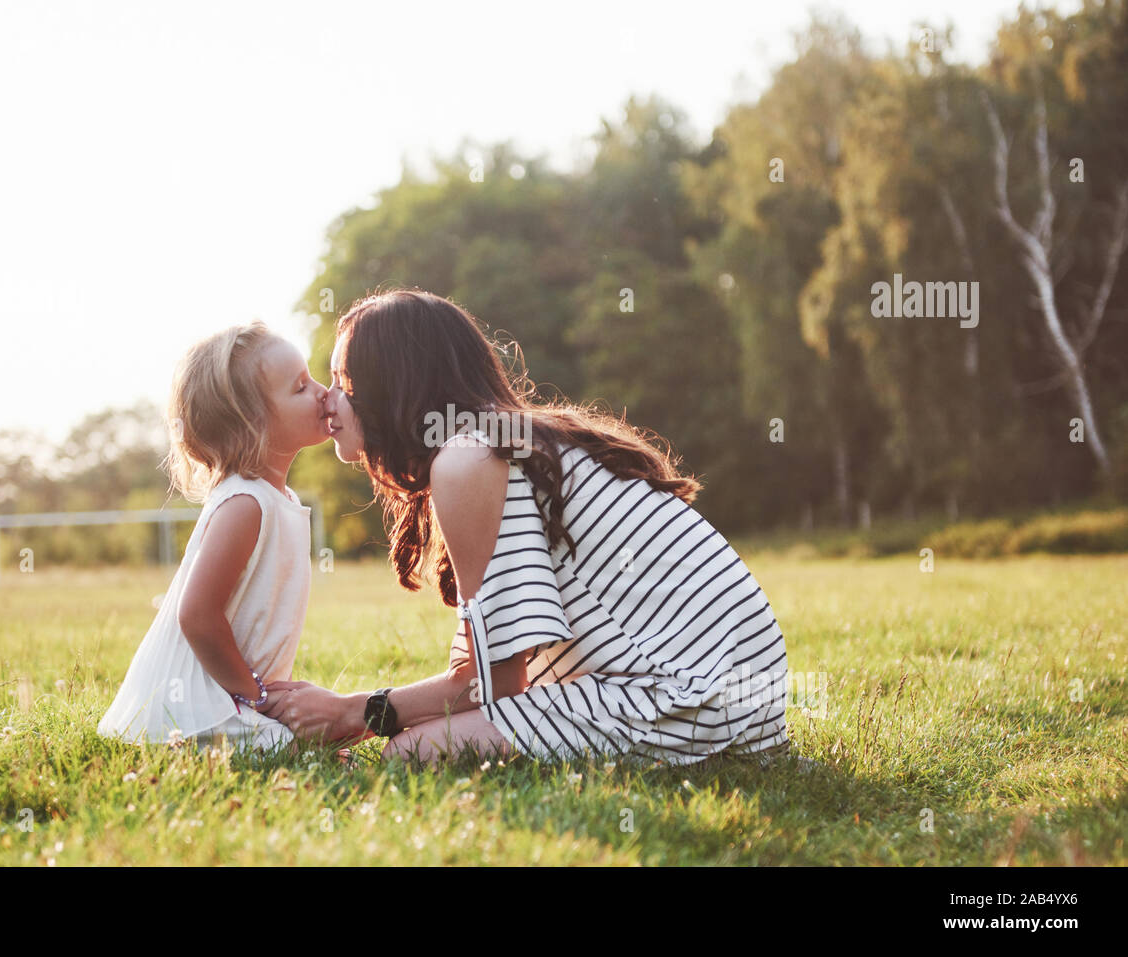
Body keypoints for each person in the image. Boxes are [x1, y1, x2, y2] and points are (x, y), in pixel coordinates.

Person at [261, 289, 793, 766]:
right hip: (736, 699)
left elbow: (493, 687)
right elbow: (482, 667)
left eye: (343, 381)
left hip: (699, 705)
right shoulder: (500, 442)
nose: (329, 399)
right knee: (428, 734)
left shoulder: (468, 459)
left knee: (412, 753)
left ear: (393, 386)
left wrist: (353, 710)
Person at [98, 321, 330, 752]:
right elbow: (197, 614)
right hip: (184, 710)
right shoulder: (245, 504)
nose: (322, 391)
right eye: (300, 388)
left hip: (229, 696)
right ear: (253, 423)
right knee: (308, 747)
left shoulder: (277, 499)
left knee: (326, 732)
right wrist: (257, 696)